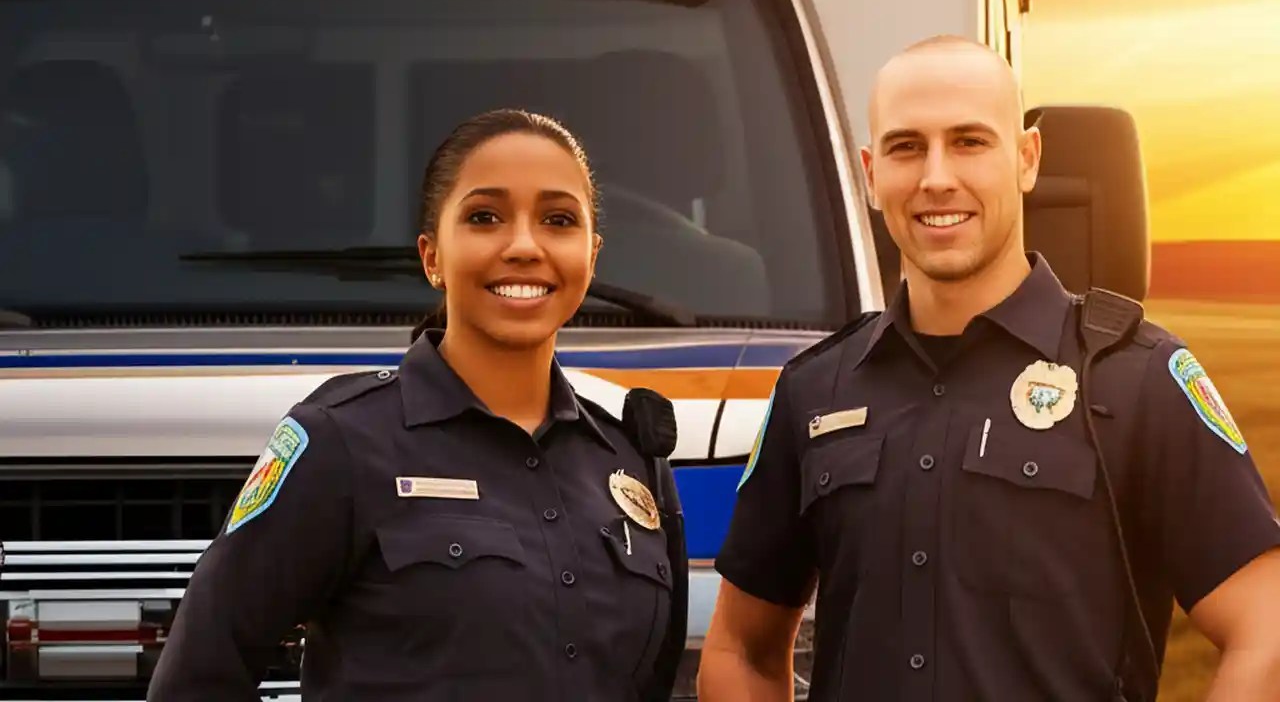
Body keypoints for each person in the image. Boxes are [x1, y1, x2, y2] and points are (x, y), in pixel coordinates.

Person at [697, 36, 1280, 702]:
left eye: (970, 142)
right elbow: (740, 648)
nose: (936, 177)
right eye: (906, 147)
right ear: (870, 173)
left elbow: (1266, 627)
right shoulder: (815, 390)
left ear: (1026, 159)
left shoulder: (1136, 378)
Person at [148, 109, 687, 701]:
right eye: (485, 217)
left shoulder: (630, 460)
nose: (525, 245)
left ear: (592, 254)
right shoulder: (341, 440)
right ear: (432, 257)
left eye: (558, 220)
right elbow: (198, 680)